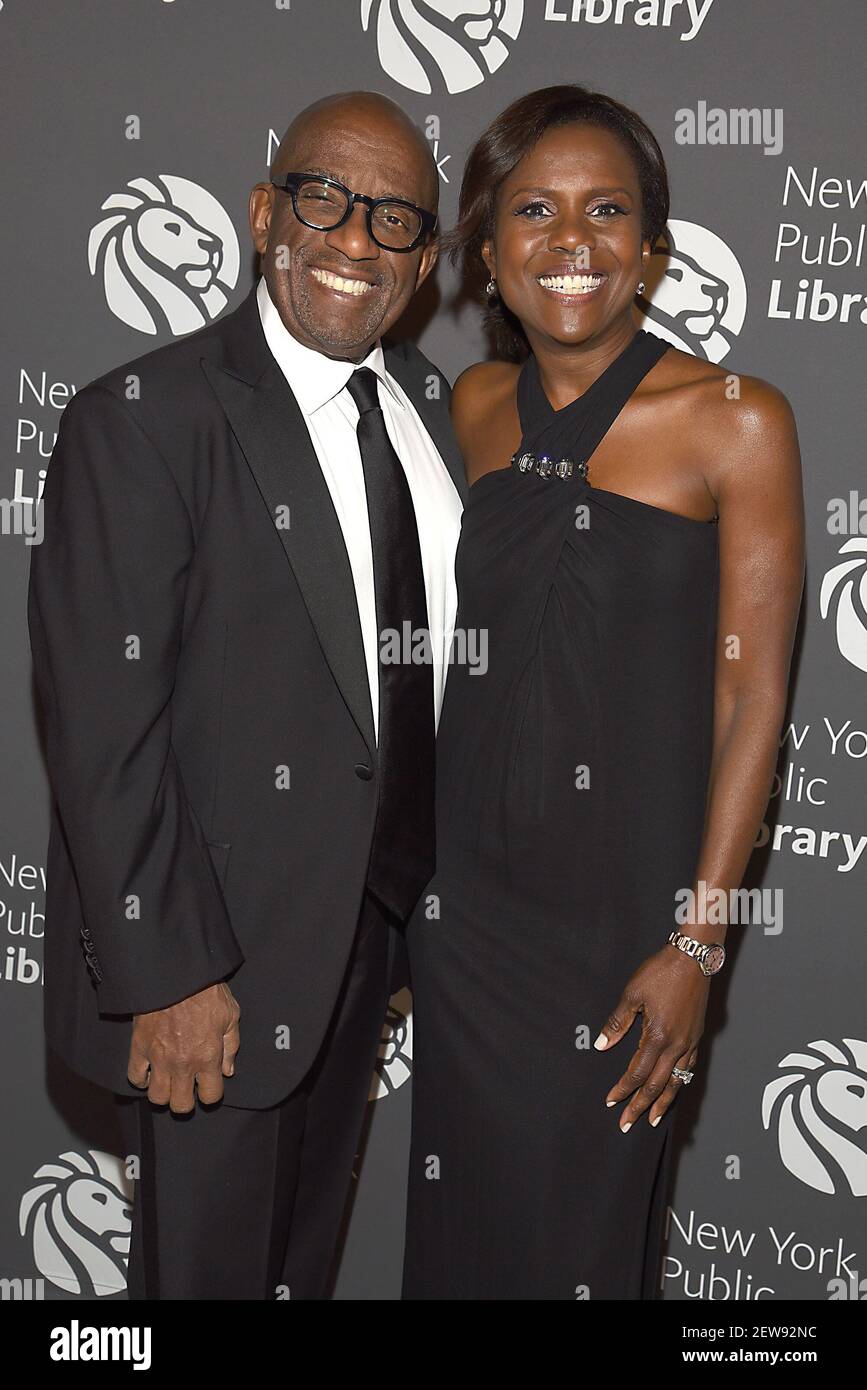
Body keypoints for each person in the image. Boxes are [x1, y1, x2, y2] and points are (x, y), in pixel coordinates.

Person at [28, 90, 465, 1300]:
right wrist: (167, 977)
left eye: (393, 220)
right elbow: (102, 730)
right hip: (208, 983)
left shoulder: (434, 415)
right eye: (323, 197)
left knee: (301, 1276)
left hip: (364, 960)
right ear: (267, 211)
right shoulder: (145, 418)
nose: (350, 238)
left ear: (425, 263)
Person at [402, 85, 805, 1300]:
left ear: (653, 249)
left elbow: (753, 704)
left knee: (579, 1252)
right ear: (484, 247)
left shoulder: (735, 422)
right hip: (466, 918)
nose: (570, 242)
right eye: (533, 209)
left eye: (606, 211)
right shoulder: (463, 410)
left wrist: (697, 940)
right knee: (463, 1251)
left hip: (625, 928)